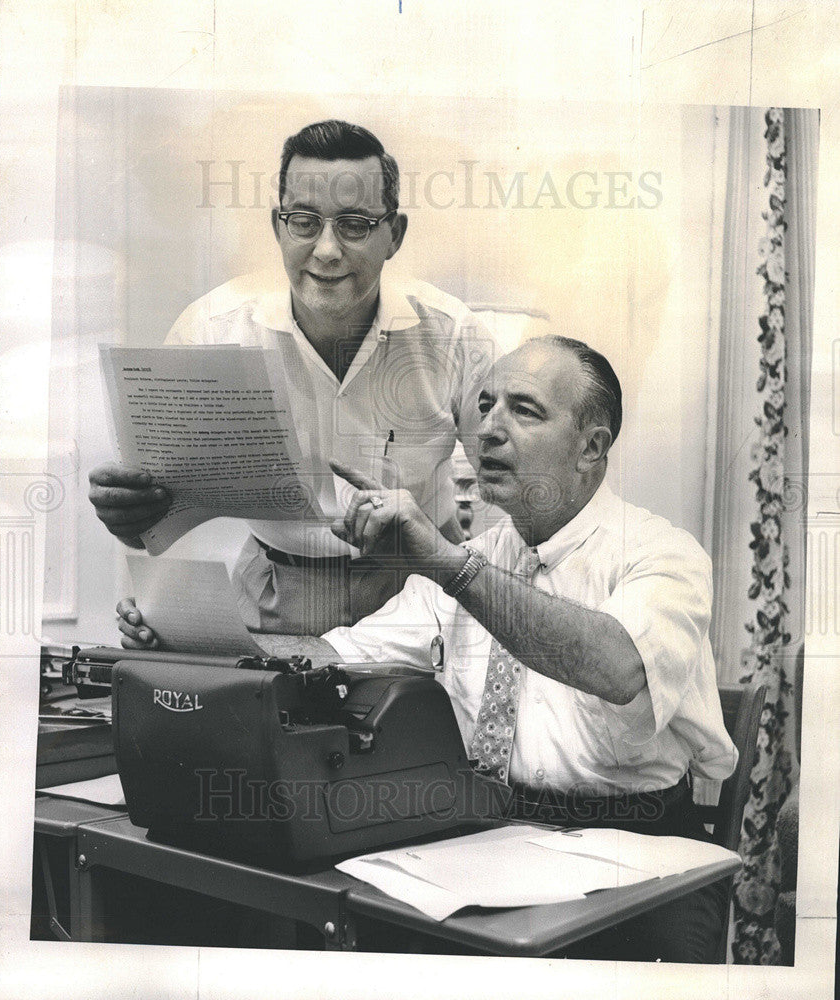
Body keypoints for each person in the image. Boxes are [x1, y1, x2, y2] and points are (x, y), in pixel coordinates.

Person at [118, 334, 738, 962]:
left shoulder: (662, 553)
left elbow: (617, 665)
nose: (488, 430)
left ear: (592, 447)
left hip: (639, 846)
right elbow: (333, 656)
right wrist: (204, 640)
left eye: (524, 411)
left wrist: (443, 562)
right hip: (486, 833)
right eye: (486, 404)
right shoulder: (474, 563)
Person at [89, 119, 499, 634]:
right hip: (277, 591)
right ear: (278, 226)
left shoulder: (455, 335)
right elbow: (155, 526)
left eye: (354, 225)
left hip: (424, 589)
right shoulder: (212, 330)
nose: (326, 251)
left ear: (394, 235)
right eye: (304, 221)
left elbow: (514, 499)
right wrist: (128, 517)